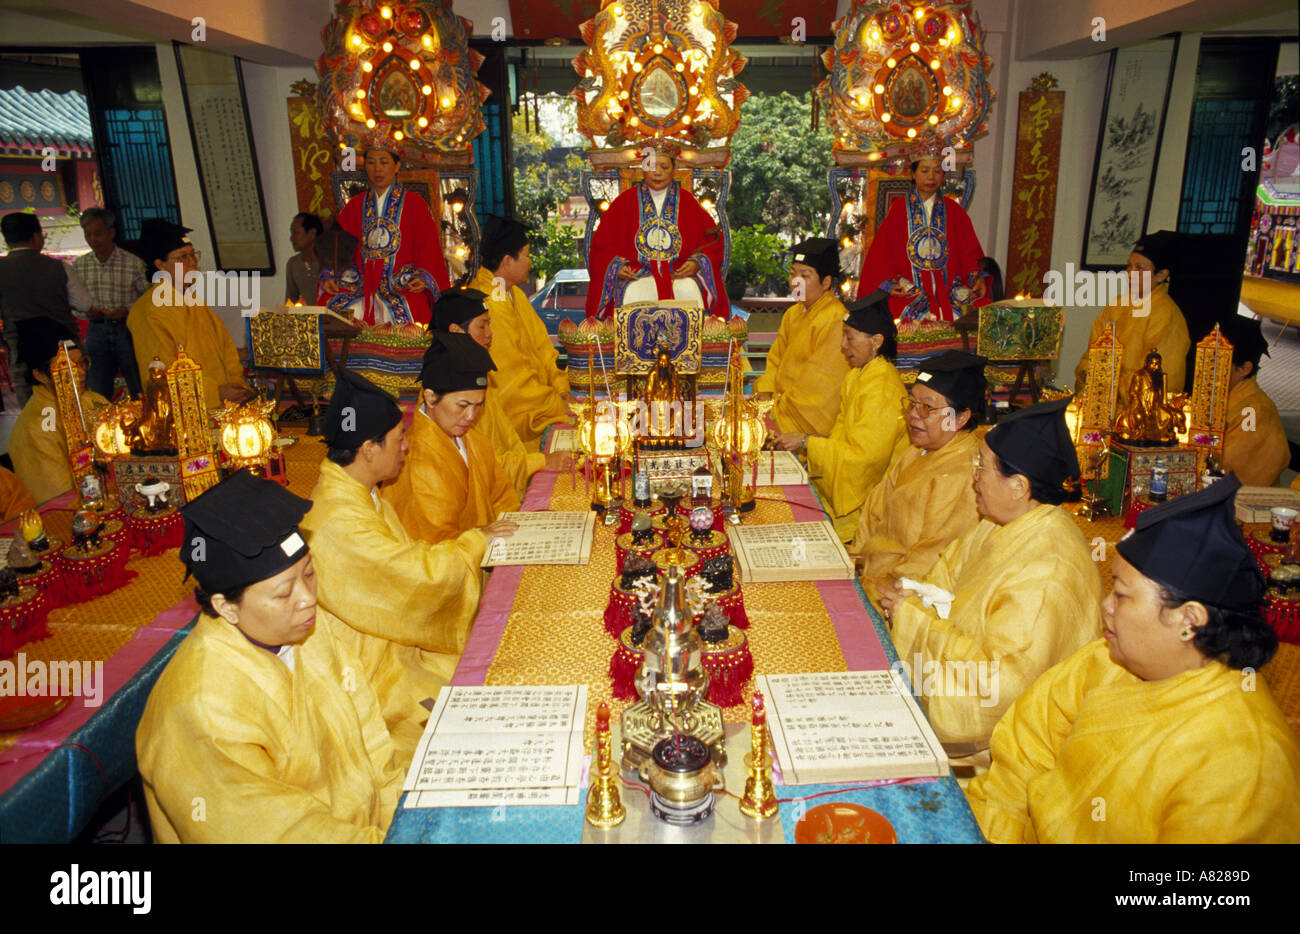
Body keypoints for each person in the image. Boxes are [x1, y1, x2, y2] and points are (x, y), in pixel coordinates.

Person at [966, 475, 1300, 843]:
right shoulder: (1110, 659)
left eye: (1122, 596)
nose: (1105, 605)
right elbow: (1023, 748)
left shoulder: (1245, 764)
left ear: (1188, 619)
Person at [135, 471, 404, 843]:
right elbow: (275, 832)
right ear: (226, 606)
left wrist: (400, 822)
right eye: (282, 594)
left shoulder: (306, 626)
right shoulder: (201, 708)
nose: (308, 599)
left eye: (309, 575)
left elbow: (368, 732)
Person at [299, 370, 515, 759]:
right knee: (471, 723)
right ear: (369, 448)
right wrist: (476, 542)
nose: (406, 448)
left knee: (501, 669)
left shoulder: (360, 494)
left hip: (396, 644)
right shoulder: (335, 519)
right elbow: (410, 578)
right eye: (400, 439)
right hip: (371, 669)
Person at [878, 397, 1102, 764]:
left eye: (982, 466)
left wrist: (912, 619)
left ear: (1019, 486)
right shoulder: (999, 525)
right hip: (949, 673)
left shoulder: (1048, 573)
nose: (974, 476)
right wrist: (912, 593)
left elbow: (995, 691)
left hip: (1002, 758)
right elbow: (944, 574)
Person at [850, 351, 987, 603]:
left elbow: (932, 558)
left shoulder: (964, 474)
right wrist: (856, 563)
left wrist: (878, 592)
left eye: (928, 408)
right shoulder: (915, 453)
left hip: (897, 595)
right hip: (867, 575)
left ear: (961, 418)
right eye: (912, 403)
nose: (914, 414)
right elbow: (872, 513)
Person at [775, 291, 909, 541]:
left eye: (849, 337)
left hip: (868, 504)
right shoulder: (858, 375)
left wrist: (807, 443)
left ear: (876, 341)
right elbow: (839, 437)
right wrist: (810, 450)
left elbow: (863, 460)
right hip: (843, 490)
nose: (843, 346)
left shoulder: (882, 387)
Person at [431, 287, 569, 501]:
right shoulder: (449, 386)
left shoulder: (473, 370)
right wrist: (540, 462)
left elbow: (499, 443)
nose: (490, 333)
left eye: (490, 324)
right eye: (482, 326)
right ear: (457, 331)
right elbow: (476, 466)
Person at [383, 332, 520, 542]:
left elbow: (503, 497)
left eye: (478, 406)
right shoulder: (417, 455)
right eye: (463, 406)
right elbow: (436, 544)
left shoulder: (474, 440)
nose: (470, 416)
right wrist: (482, 537)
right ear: (430, 397)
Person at [584, 140, 727, 319]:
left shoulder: (688, 202)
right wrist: (616, 267)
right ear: (643, 168)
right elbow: (600, 248)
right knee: (635, 294)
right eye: (651, 166)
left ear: (674, 169)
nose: (657, 172)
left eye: (664, 167)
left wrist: (697, 263)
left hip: (678, 273)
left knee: (690, 291)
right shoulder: (623, 203)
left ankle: (693, 346)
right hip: (635, 275)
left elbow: (713, 241)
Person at [855, 135, 988, 322]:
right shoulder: (899, 209)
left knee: (981, 312)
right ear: (913, 174)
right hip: (911, 287)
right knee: (892, 312)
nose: (931, 177)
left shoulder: (955, 212)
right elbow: (882, 255)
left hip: (950, 288)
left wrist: (977, 278)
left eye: (937, 171)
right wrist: (888, 284)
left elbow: (969, 252)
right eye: (925, 171)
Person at [126, 219, 252, 408]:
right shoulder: (149, 310)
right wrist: (214, 392)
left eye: (193, 255)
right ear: (160, 265)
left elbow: (226, 347)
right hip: (188, 412)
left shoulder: (193, 300)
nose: (192, 262)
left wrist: (236, 383)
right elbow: (161, 376)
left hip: (222, 404)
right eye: (182, 257)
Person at [322, 144, 450, 326]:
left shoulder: (415, 204)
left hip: (400, 286)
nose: (377, 169)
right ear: (365, 166)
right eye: (371, 162)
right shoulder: (354, 206)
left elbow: (429, 248)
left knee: (413, 309)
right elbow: (337, 245)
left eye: (384, 162)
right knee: (335, 309)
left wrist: (423, 278)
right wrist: (330, 274)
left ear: (397, 166)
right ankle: (346, 356)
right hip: (360, 285)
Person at [470, 215, 571, 443]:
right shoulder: (489, 303)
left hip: (542, 403)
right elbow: (512, 381)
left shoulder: (513, 294)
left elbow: (544, 350)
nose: (530, 262)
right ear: (507, 261)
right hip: (515, 422)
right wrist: (555, 403)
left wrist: (560, 388)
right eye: (526, 255)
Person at [1073, 230, 1190, 403]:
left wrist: (1107, 384)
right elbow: (1090, 356)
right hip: (1098, 405)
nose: (1130, 273)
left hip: (1136, 417)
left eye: (1140, 268)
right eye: (1129, 266)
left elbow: (1161, 384)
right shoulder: (1117, 305)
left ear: (1161, 275)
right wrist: (1090, 375)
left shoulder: (1167, 316)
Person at [753, 238, 852, 438]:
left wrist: (778, 417)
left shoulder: (835, 318)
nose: (795, 282)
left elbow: (820, 385)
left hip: (800, 419)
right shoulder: (793, 314)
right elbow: (775, 362)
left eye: (805, 276)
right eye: (792, 274)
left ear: (826, 282)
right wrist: (764, 398)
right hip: (778, 407)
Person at [7, 319, 110, 504]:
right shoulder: (35, 429)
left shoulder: (93, 400)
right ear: (40, 375)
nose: (80, 372)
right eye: (67, 368)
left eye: (81, 363)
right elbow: (59, 502)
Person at [0, 211, 92, 404]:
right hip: (65, 349)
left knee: (35, 410)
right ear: (36, 236)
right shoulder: (59, 268)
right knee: (74, 405)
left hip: (22, 352)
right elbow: (84, 304)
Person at [71, 208, 149, 400]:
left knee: (138, 386)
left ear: (111, 232)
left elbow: (147, 299)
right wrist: (87, 313)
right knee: (97, 390)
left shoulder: (132, 262)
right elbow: (73, 302)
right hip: (96, 331)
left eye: (97, 233)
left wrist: (127, 310)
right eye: (87, 234)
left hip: (128, 330)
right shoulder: (80, 265)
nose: (93, 240)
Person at [1220, 317, 1290, 487]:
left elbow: (1234, 475)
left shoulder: (1255, 412)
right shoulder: (1218, 397)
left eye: (1219, 362)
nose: (1207, 368)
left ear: (1244, 369)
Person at [285, 212, 323, 304]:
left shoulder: (330, 262)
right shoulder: (293, 264)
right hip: (307, 317)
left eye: (296, 233)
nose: (292, 238)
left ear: (312, 233)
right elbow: (291, 300)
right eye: (291, 233)